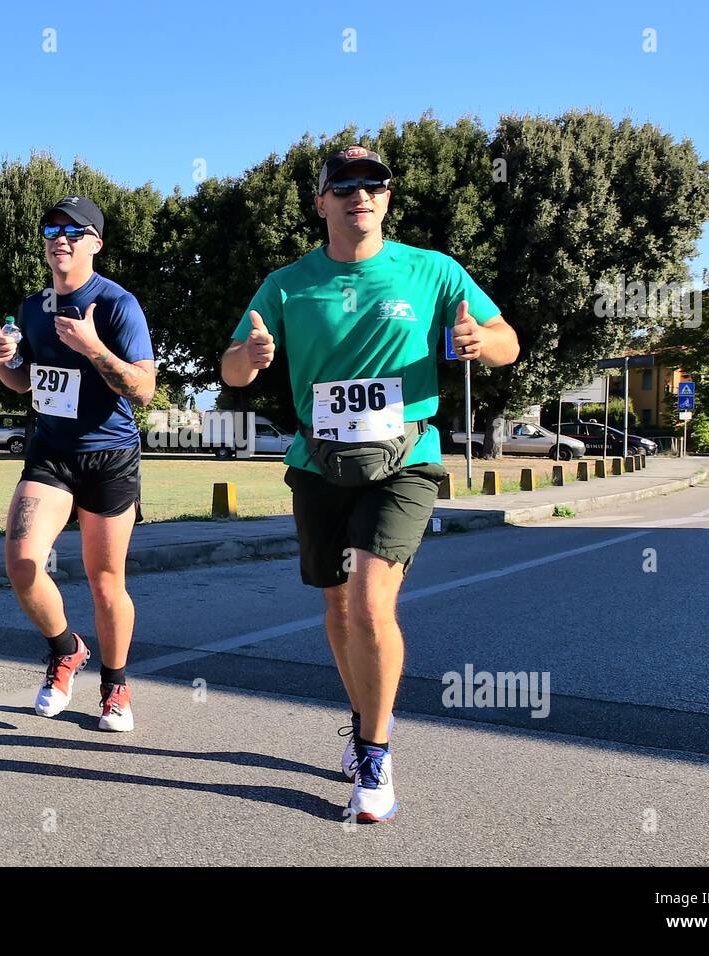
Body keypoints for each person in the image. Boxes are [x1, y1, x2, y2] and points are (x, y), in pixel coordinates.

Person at [221, 146, 519, 822]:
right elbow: (232, 369)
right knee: (336, 610)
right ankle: (362, 721)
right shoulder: (289, 283)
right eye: (343, 185)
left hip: (406, 458)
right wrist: (252, 355)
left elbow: (507, 339)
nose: (360, 194)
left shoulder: (432, 271)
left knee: (368, 604)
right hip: (318, 461)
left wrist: (480, 343)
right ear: (321, 201)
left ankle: (376, 754)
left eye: (373, 184)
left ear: (388, 198)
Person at [0, 196, 156, 731]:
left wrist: (92, 348)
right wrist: (3, 363)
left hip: (108, 456)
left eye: (75, 230)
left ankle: (115, 686)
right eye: (52, 228)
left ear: (96, 243)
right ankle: (65, 649)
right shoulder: (31, 308)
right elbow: (25, 382)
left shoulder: (117, 305)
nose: (61, 237)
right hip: (50, 454)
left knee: (105, 580)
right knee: (21, 564)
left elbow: (144, 388)